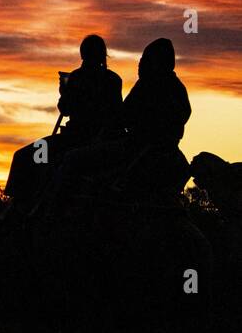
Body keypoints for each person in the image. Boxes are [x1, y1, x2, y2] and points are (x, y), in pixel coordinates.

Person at [45, 38, 192, 213]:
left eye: (143, 61)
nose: (140, 65)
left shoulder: (148, 86)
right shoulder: (174, 87)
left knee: (70, 160)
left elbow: (122, 116)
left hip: (136, 147)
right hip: (150, 146)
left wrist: (66, 93)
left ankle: (52, 212)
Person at [4, 34, 122, 210]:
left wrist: (64, 91)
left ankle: (20, 206)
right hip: (83, 139)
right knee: (33, 156)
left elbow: (65, 108)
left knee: (27, 156)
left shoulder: (79, 77)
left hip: (72, 140)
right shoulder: (112, 79)